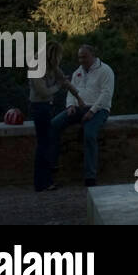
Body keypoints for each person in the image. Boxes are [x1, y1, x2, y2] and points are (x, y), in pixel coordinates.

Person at [48, 44, 114, 187]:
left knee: (89, 134)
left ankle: (90, 177)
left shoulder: (105, 70)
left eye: (84, 57)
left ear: (92, 55)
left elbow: (106, 94)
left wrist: (92, 111)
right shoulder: (78, 72)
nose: (81, 60)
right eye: (79, 57)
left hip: (99, 110)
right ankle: (52, 167)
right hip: (78, 108)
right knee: (53, 125)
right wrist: (70, 105)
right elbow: (72, 91)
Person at [29, 42, 71, 192]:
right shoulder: (36, 65)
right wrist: (59, 86)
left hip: (46, 107)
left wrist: (78, 95)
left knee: (46, 143)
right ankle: (42, 183)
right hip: (39, 107)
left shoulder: (51, 65)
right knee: (43, 145)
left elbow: (62, 78)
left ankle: (45, 181)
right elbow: (43, 92)